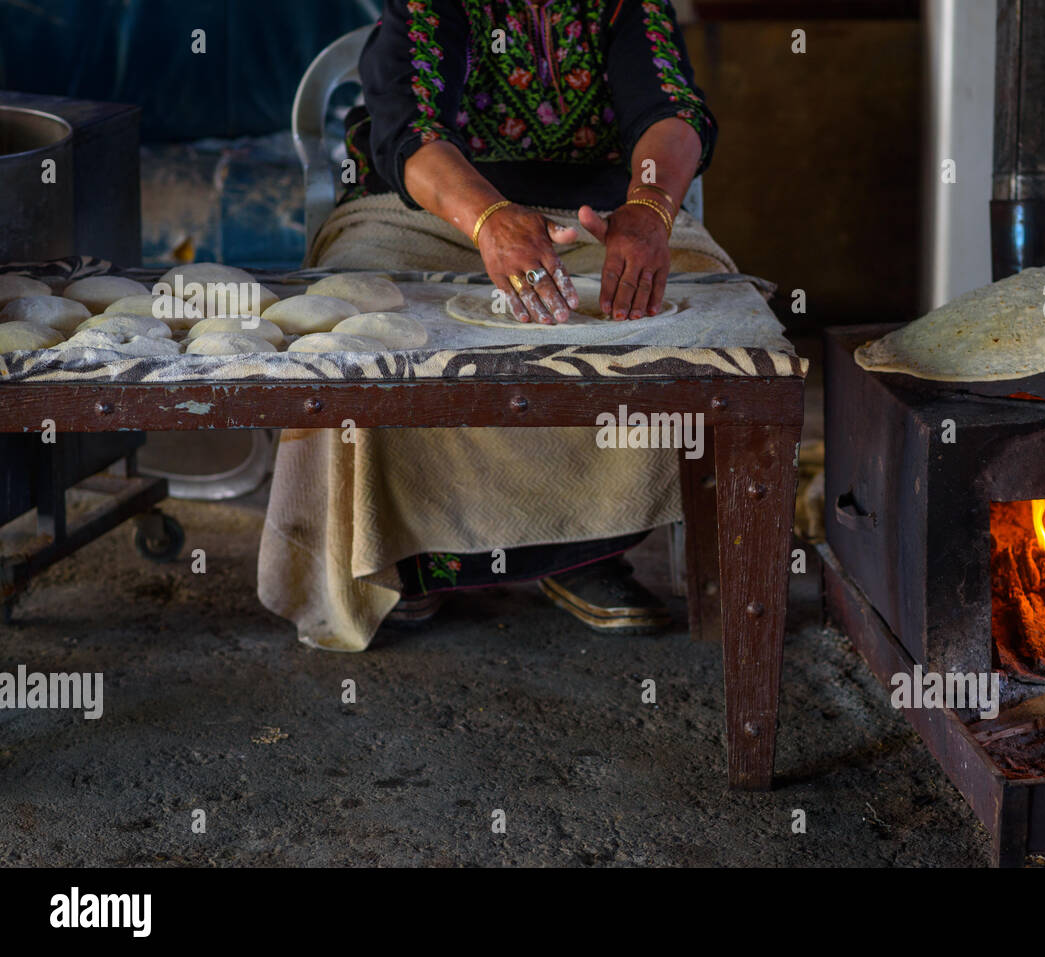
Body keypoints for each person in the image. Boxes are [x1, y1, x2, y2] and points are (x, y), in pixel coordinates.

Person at [258, 0, 738, 650]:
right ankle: (398, 554)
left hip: (595, 215)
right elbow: (409, 126)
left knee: (692, 313)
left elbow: (671, 110)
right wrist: (489, 219)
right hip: (428, 211)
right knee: (364, 325)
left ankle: (588, 548)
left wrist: (650, 209)